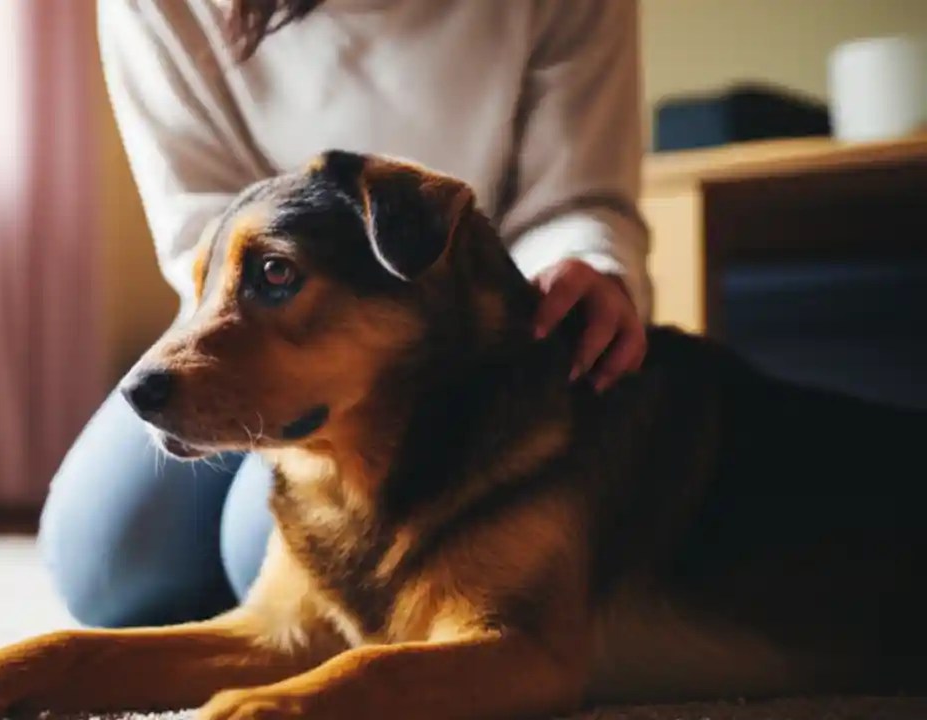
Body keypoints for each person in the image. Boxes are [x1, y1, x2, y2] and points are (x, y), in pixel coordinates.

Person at [39, 0, 653, 628]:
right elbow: (204, 226)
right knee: (108, 563)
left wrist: (586, 261)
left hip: (472, 343)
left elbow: (577, 194)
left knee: (285, 558)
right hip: (250, 324)